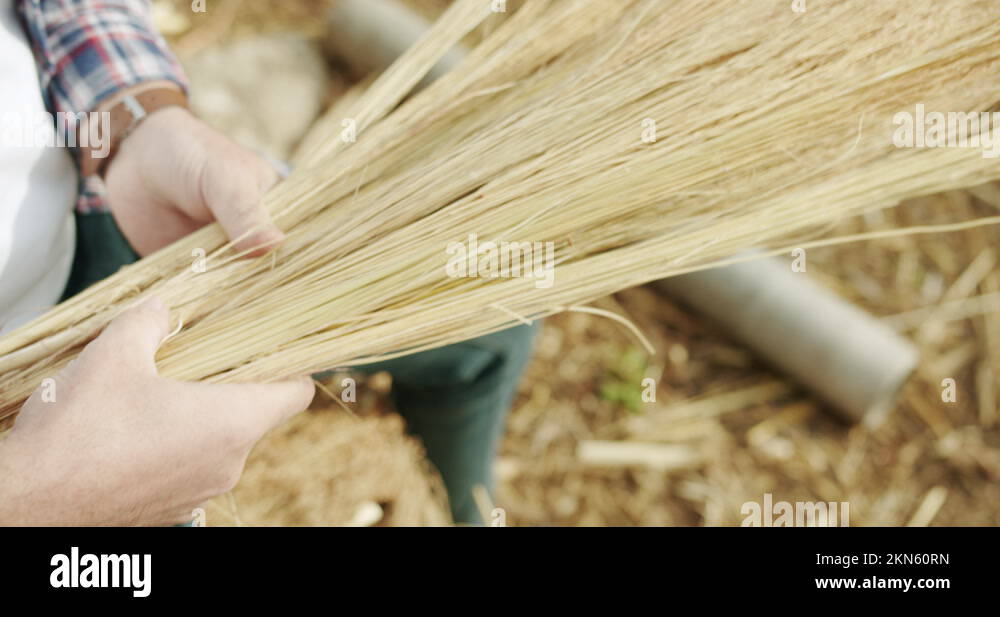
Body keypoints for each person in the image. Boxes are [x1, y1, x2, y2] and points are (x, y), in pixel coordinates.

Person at [0, 0, 535, 526]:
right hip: (20, 413)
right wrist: (38, 498)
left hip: (100, 223)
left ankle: (467, 511)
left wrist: (135, 118)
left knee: (492, 315)